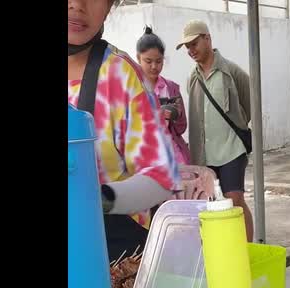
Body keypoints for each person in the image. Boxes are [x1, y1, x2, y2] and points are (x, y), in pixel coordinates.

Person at [68, 0, 179, 261]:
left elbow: (161, 177)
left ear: (109, 6)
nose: (77, 4)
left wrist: (101, 199)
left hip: (111, 256)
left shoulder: (121, 76)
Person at [178, 20, 255, 244]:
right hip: (204, 154)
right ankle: (218, 250)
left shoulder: (231, 71)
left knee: (235, 199)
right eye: (187, 47)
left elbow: (250, 104)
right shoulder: (192, 78)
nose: (191, 51)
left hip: (231, 148)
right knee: (208, 205)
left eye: (194, 44)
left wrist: (238, 124)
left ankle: (248, 249)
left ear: (207, 39)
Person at [137, 26, 191, 166]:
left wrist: (176, 115)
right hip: (143, 157)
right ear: (138, 58)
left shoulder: (171, 88)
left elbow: (181, 128)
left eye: (159, 61)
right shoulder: (132, 88)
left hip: (173, 156)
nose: (154, 66)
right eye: (148, 61)